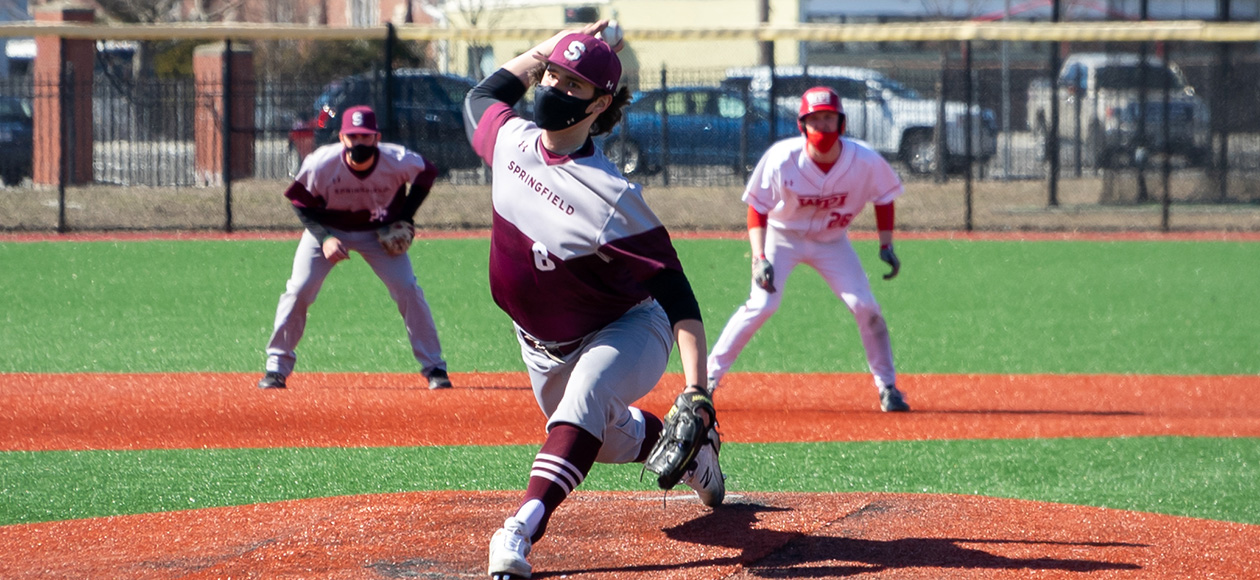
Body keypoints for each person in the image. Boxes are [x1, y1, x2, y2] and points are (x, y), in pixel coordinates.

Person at [463, 21, 724, 580]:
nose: (553, 88)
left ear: (601, 103)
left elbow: (679, 296)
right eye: (551, 76)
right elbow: (481, 96)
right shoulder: (510, 140)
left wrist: (698, 390)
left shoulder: (612, 197)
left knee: (585, 397)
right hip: (540, 346)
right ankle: (693, 455)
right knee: (598, 437)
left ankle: (519, 529)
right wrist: (550, 47)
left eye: (572, 84)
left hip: (628, 328)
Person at [706, 86, 911, 413]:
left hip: (833, 241)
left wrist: (886, 244)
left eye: (829, 119)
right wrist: (759, 258)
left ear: (841, 123)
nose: (823, 128)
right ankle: (706, 382)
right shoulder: (782, 158)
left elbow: (885, 197)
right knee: (762, 304)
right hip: (781, 236)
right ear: (802, 126)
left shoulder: (864, 159)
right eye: (815, 120)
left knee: (866, 306)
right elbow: (758, 208)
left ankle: (888, 388)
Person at [258, 105, 452, 391]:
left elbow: (428, 173)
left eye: (365, 136)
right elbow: (300, 202)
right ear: (341, 138)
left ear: (377, 137)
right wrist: (324, 238)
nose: (358, 142)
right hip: (328, 229)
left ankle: (434, 367)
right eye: (352, 136)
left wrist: (405, 216)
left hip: (378, 233)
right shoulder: (320, 162)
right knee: (299, 289)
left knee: (408, 288)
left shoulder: (396, 159)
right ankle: (276, 367)